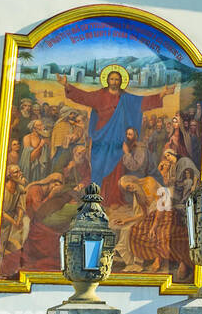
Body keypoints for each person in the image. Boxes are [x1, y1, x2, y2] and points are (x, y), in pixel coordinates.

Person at [57, 66, 174, 208]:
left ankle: (113, 199)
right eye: (112, 79)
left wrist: (162, 94)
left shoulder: (126, 98)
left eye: (117, 79)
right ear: (107, 80)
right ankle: (96, 197)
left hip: (118, 140)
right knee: (98, 167)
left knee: (116, 170)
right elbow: (84, 97)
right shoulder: (99, 95)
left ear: (121, 81)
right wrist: (67, 85)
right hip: (101, 138)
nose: (114, 81)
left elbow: (141, 103)